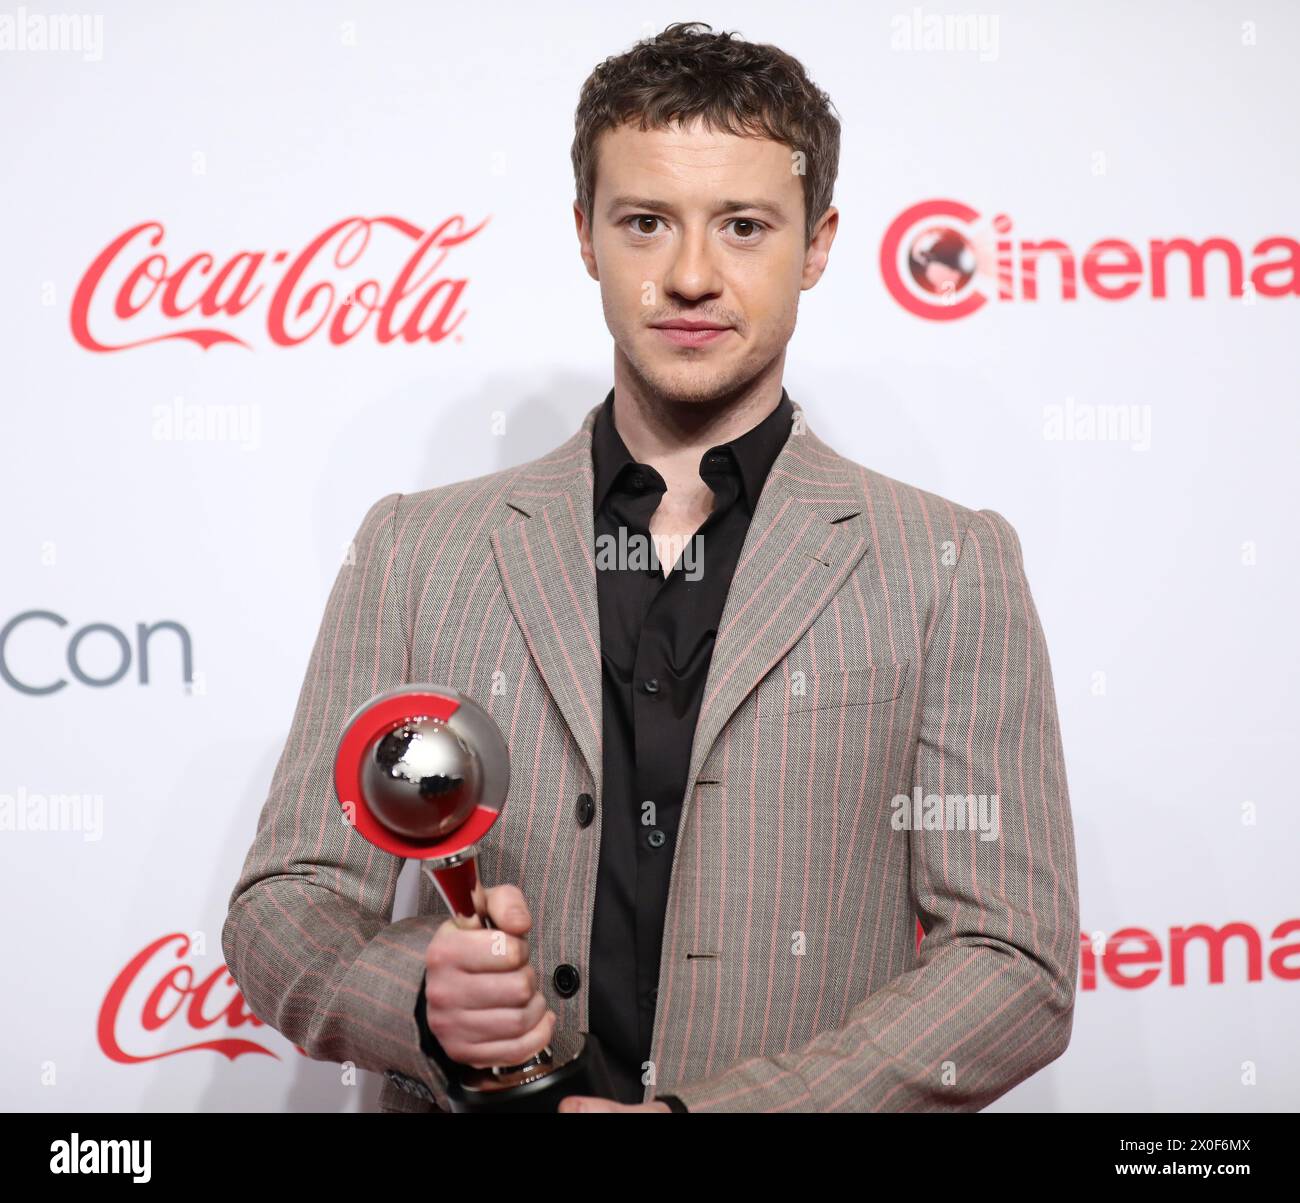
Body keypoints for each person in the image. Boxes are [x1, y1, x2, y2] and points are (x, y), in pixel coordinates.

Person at [222, 20, 1078, 1114]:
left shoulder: (948, 562)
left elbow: (1014, 964)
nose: (689, 275)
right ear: (584, 233)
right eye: (644, 222)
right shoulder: (414, 547)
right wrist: (420, 1004)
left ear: (816, 244)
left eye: (742, 226)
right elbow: (287, 903)